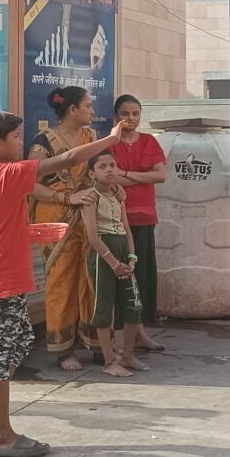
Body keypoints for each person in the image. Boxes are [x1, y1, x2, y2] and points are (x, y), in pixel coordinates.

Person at [0, 109, 118, 457]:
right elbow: (68, 158)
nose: (20, 144)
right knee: (1, 351)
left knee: (20, 338)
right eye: (14, 138)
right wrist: (113, 139)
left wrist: (17, 232)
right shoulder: (8, 173)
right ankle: (2, 435)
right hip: (3, 275)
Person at [28, 86, 103, 372]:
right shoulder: (43, 142)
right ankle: (63, 348)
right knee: (60, 282)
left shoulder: (91, 137)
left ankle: (96, 341)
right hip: (55, 217)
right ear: (73, 110)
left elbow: (100, 170)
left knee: (92, 277)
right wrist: (66, 197)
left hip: (88, 215)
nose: (92, 111)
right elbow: (31, 184)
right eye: (88, 105)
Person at [80, 150, 146, 377]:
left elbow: (126, 228)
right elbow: (93, 237)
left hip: (122, 251)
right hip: (103, 254)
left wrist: (131, 258)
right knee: (104, 307)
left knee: (133, 305)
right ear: (92, 173)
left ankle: (127, 355)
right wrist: (113, 263)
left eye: (112, 165)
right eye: (102, 167)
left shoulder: (118, 195)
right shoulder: (90, 198)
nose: (109, 170)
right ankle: (109, 360)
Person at [110, 95, 167, 351]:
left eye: (135, 113)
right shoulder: (108, 145)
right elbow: (108, 178)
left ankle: (140, 333)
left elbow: (160, 175)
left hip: (144, 219)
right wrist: (140, 178)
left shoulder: (149, 141)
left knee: (140, 278)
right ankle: (120, 337)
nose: (130, 119)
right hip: (114, 221)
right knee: (118, 278)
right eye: (125, 114)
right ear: (116, 116)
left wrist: (124, 175)